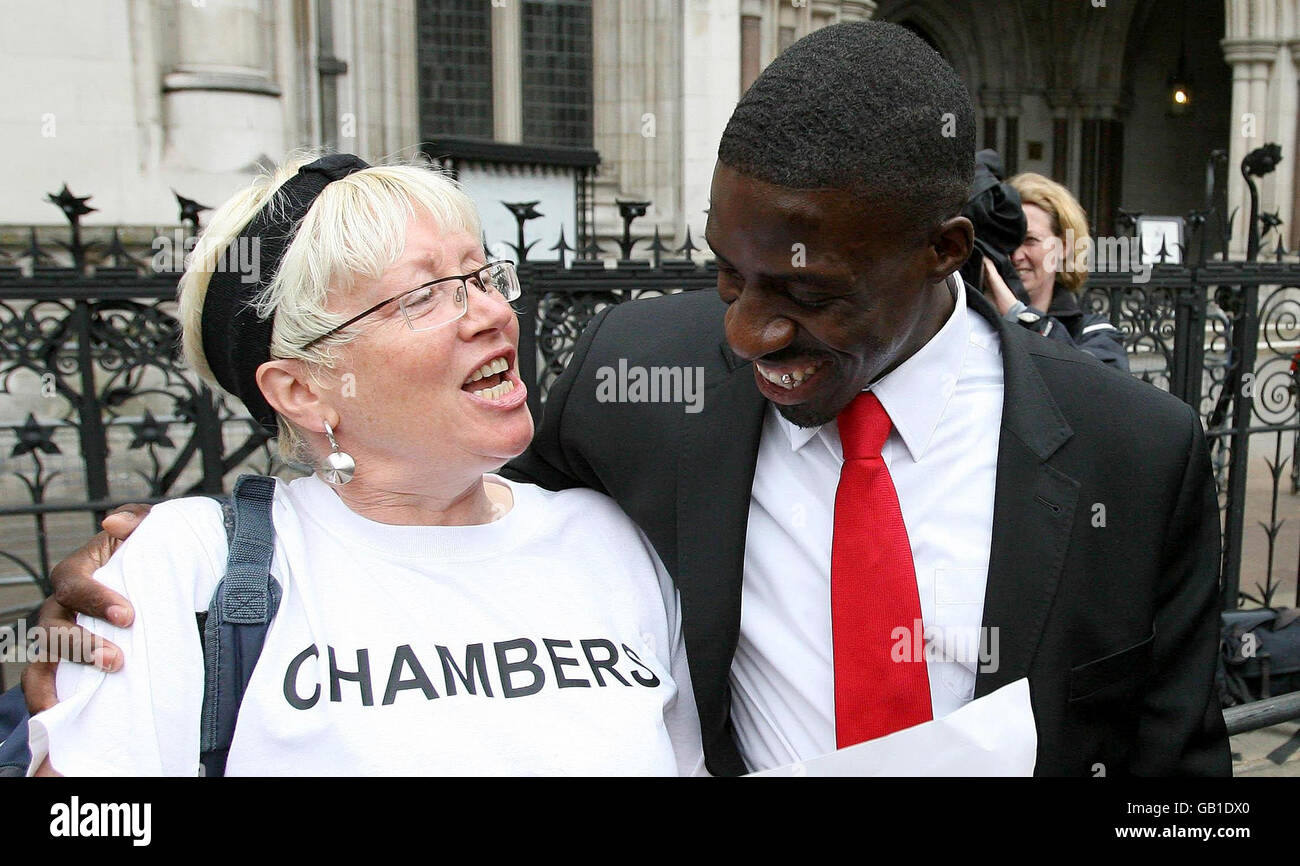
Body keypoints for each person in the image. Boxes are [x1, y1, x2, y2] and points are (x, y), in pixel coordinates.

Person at [28, 22, 1227, 776]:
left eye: (803, 293)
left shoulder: (1136, 451)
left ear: (942, 251)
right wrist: (147, 574)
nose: (748, 332)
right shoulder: (637, 387)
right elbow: (407, 495)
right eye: (724, 274)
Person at [21, 153, 703, 776]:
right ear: (301, 390)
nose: (493, 312)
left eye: (481, 274)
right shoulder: (184, 566)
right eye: (422, 295)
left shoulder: (610, 540)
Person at [981, 171, 1130, 372]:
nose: (1016, 256)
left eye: (1030, 240)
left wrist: (1018, 315)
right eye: (1007, 241)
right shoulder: (970, 323)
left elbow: (1092, 387)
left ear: (1063, 247)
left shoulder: (1092, 333)